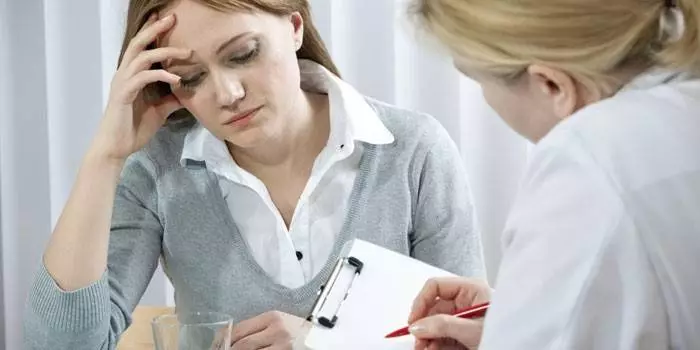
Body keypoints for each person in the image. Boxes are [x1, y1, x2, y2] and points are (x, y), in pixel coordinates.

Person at [22, 0, 486, 349]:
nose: (227, 93)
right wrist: (106, 156)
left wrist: (320, 343)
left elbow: (463, 338)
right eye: (190, 77)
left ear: (294, 26)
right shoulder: (158, 169)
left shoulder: (413, 150)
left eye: (242, 53)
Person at [406, 0, 700, 349]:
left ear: (552, 85)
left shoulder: (587, 163)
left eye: (478, 81)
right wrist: (519, 316)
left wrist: (520, 327)